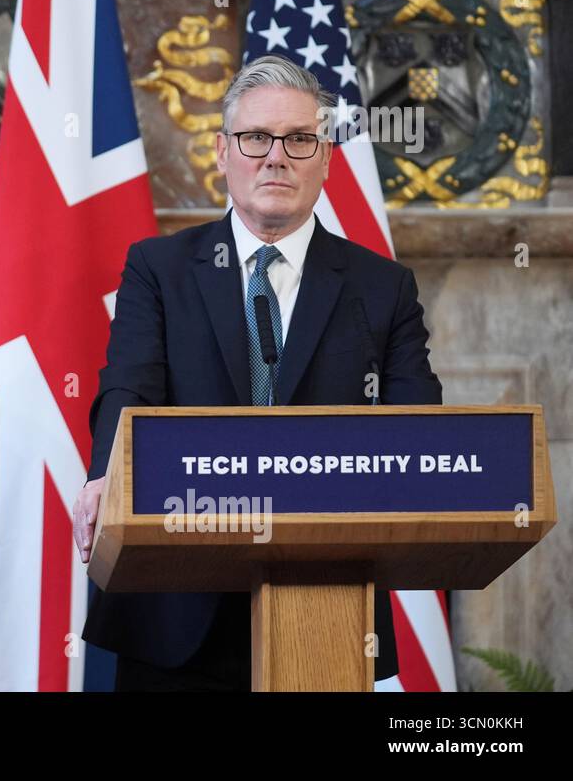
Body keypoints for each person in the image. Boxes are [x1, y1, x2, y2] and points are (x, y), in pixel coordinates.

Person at [72, 54, 442, 691]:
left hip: (326, 612)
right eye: (256, 138)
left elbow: (416, 435)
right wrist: (109, 473)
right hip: (173, 612)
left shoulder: (383, 288)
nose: (277, 156)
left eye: (300, 139)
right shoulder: (157, 269)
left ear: (325, 156)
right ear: (222, 152)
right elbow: (129, 385)